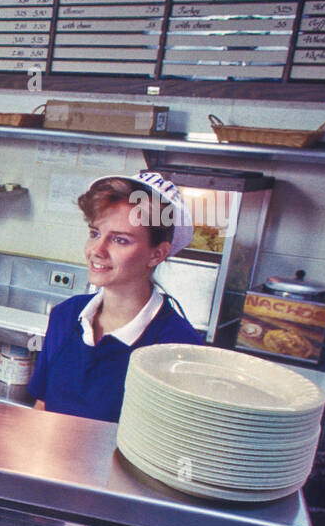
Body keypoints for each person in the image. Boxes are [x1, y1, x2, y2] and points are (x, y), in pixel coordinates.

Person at [29, 171, 204, 423]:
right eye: (95, 234)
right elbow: (42, 406)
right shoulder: (65, 316)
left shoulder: (178, 347)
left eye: (120, 240)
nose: (96, 251)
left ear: (157, 255)